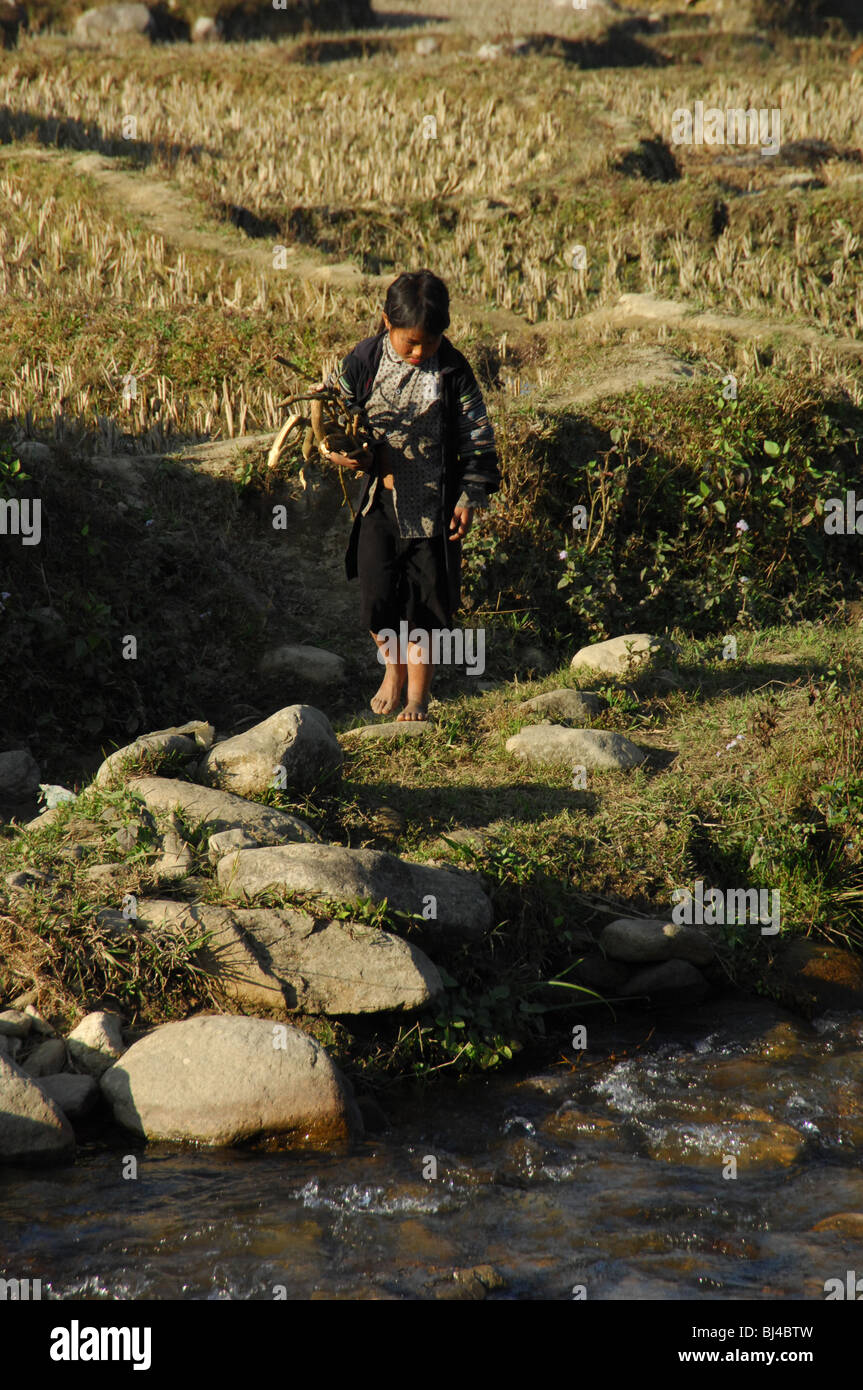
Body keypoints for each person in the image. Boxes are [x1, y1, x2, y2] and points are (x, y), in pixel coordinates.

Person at [321, 269, 501, 721]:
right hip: (379, 504)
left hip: (434, 509)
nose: (421, 352)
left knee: (427, 605)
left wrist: (468, 498)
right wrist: (339, 452)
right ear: (387, 322)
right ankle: (393, 670)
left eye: (431, 342)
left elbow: (477, 437)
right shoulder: (363, 361)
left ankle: (418, 695)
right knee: (378, 597)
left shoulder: (453, 370)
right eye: (411, 343)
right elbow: (336, 414)